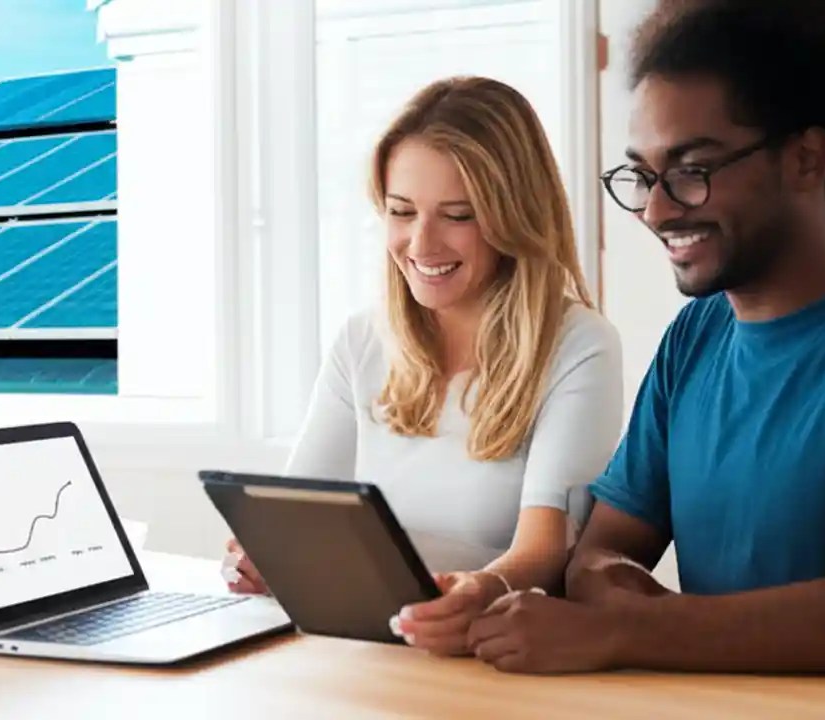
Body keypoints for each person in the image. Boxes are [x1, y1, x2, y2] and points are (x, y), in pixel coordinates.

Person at [465, 0, 825, 676]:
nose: (655, 208)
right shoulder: (695, 339)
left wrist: (639, 629)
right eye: (642, 175)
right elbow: (599, 552)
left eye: (692, 171)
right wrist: (605, 590)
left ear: (805, 159)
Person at [221, 76, 622, 656]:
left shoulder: (579, 345)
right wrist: (272, 559)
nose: (421, 243)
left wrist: (482, 588)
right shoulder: (362, 340)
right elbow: (302, 512)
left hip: (493, 664)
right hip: (368, 655)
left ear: (514, 216)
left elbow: (547, 547)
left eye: (458, 215)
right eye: (401, 211)